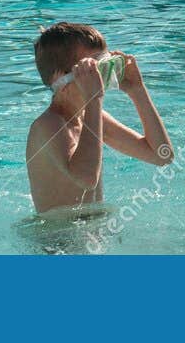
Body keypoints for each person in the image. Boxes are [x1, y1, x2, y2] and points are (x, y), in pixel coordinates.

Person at [25, 21, 174, 213]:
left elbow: (162, 155)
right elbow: (87, 178)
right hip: (57, 240)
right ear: (60, 78)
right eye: (93, 71)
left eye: (107, 69)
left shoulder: (93, 118)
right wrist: (94, 100)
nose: (102, 82)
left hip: (94, 232)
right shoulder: (48, 125)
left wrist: (137, 90)